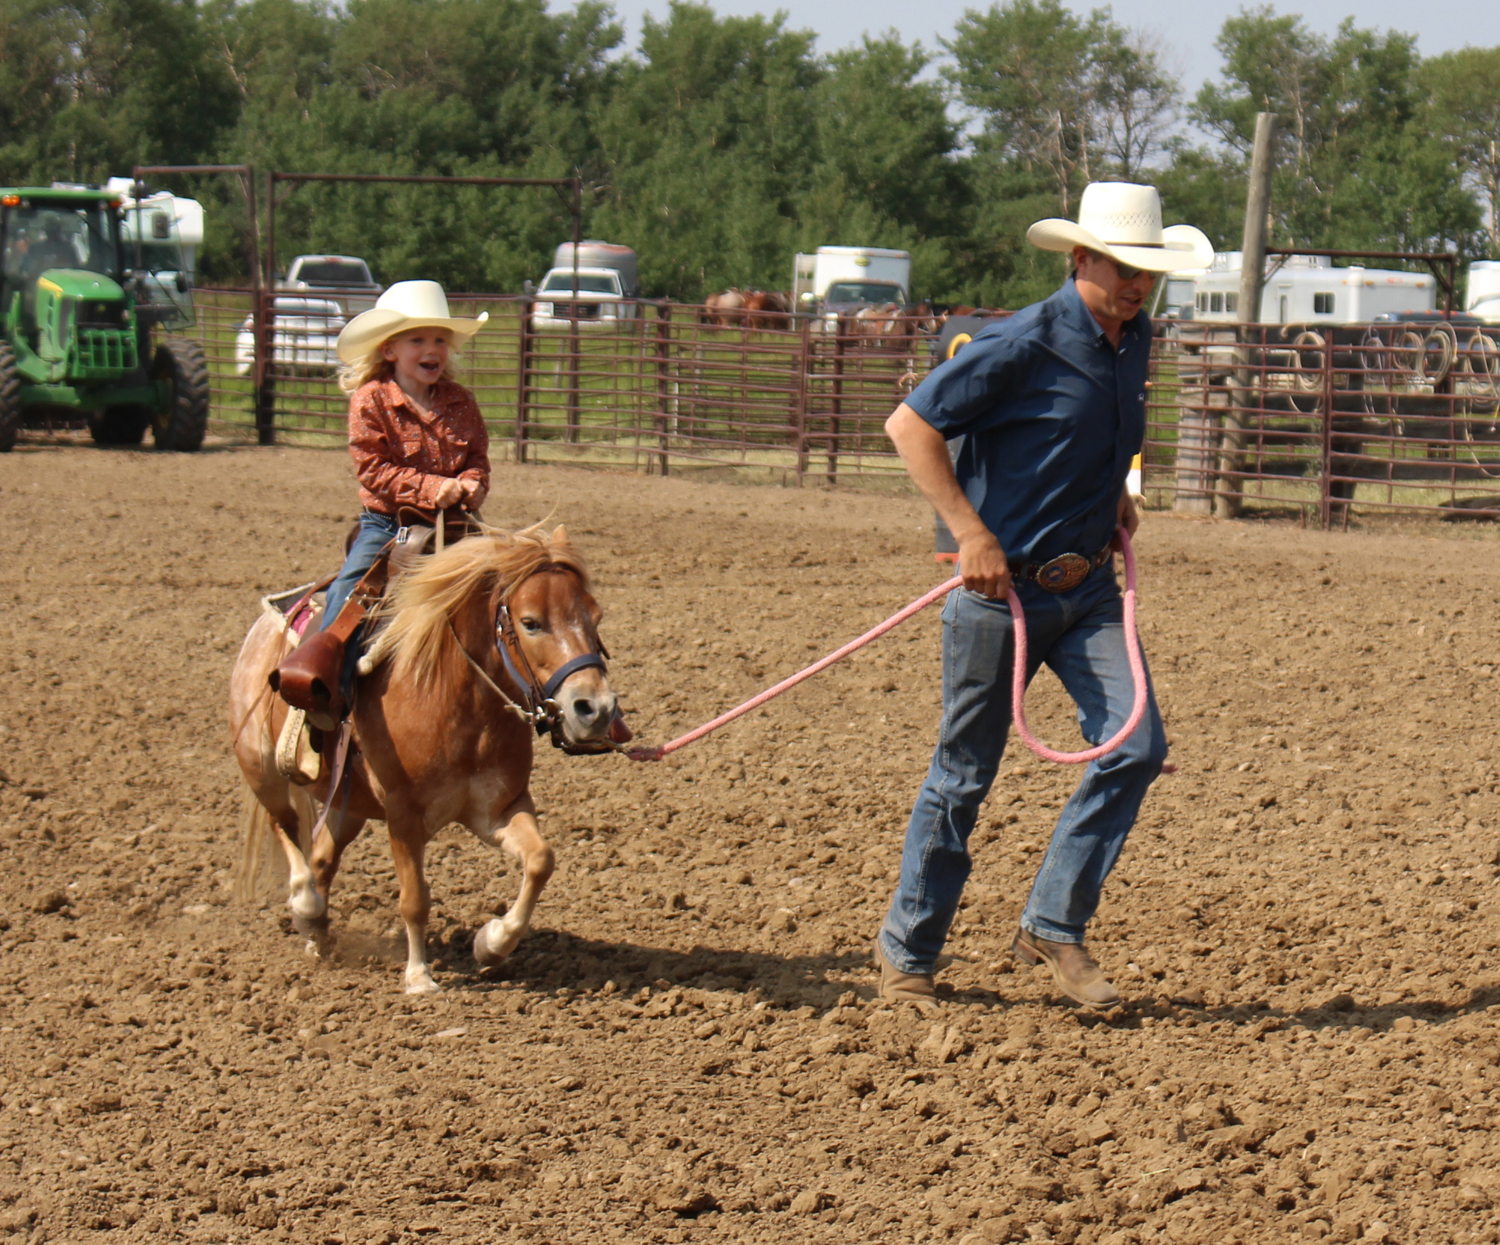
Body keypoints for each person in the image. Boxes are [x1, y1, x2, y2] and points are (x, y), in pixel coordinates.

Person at [873, 182, 1212, 1011]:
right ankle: (907, 955)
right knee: (964, 774)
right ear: (1080, 258)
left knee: (1134, 746)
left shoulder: (1136, 341)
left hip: (1088, 585)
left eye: (1148, 272)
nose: (1137, 285)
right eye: (1123, 268)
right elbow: (910, 427)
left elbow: (1090, 435)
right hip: (1001, 595)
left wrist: (1110, 494)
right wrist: (968, 533)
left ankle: (1054, 922)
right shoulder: (1020, 341)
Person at [274, 281, 490, 722]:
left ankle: (527, 696)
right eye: (418, 340)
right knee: (351, 591)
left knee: (513, 590)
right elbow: (373, 469)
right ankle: (327, 685)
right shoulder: (371, 400)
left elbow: (477, 459)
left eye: (439, 340)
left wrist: (471, 484)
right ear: (390, 350)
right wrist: (433, 488)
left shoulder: (461, 402)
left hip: (458, 524)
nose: (432, 349)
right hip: (388, 525)